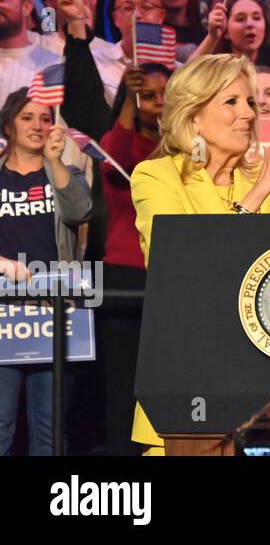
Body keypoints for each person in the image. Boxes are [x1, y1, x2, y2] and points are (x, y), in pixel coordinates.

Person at [130, 53, 270, 453]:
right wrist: (259, 194)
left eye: (251, 103)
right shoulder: (156, 177)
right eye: (232, 102)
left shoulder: (265, 185)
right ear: (193, 118)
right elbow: (186, 267)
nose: (249, 114)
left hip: (261, 386)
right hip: (187, 386)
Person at [0, 88, 93, 456]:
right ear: (8, 124)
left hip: (54, 312)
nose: (38, 125)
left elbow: (80, 211)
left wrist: (55, 163)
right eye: (27, 118)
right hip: (3, 313)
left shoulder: (65, 173)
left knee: (50, 429)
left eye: (44, 118)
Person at [97, 63, 168, 455]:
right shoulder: (121, 144)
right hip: (124, 276)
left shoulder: (181, 150)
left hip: (167, 275)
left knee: (163, 379)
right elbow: (114, 158)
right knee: (123, 381)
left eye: (164, 96)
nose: (158, 104)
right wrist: (127, 95)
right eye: (149, 96)